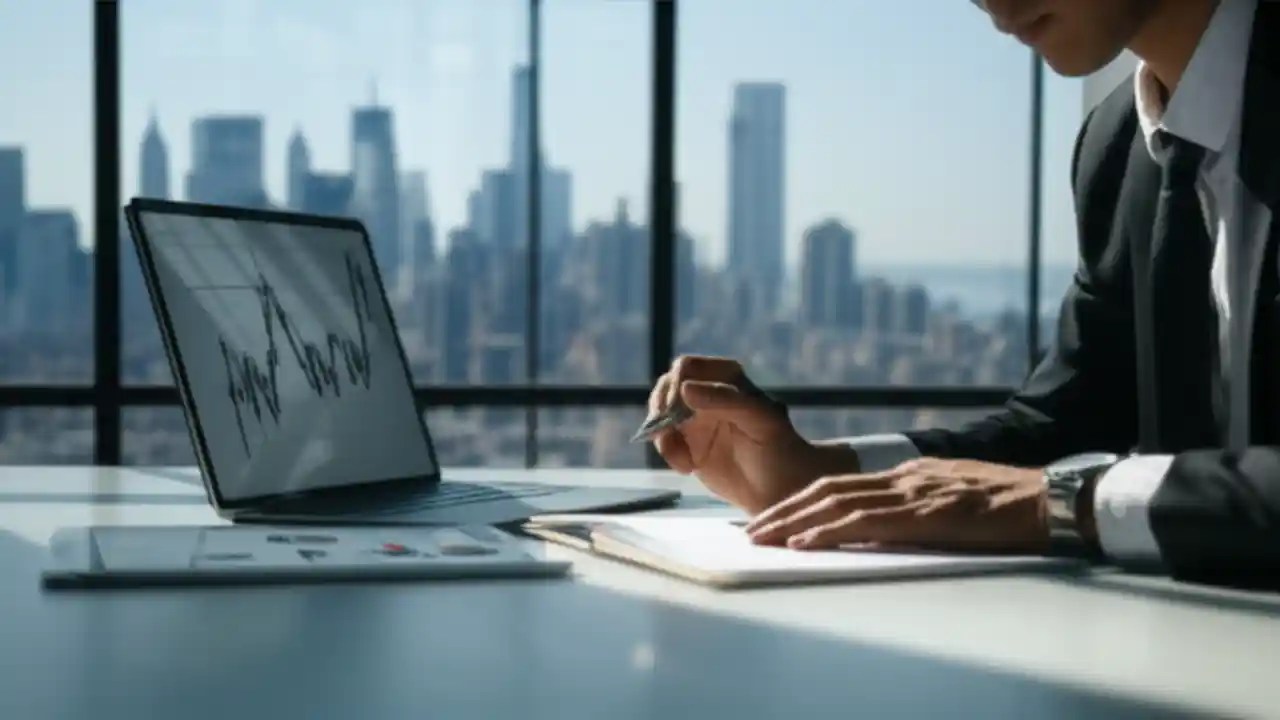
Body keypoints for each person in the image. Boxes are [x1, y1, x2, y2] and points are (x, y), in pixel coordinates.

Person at [648, 0, 1280, 587]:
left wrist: (1061, 502)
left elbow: (1036, 484)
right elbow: (1062, 419)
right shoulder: (1117, 147)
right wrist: (824, 475)